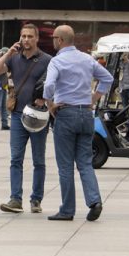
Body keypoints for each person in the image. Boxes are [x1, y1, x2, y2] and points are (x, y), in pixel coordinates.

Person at [43, 25, 111, 222]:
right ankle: (94, 200)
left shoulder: (57, 61)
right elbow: (107, 78)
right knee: (84, 162)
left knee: (65, 166)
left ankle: (67, 210)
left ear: (60, 40)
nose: (53, 41)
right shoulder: (87, 58)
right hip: (85, 114)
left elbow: (48, 85)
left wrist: (50, 104)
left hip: (66, 113)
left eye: (54, 38)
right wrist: (94, 98)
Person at [0, 23, 52, 214]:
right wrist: (8, 54)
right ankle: (15, 199)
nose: (26, 40)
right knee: (15, 159)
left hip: (38, 115)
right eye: (23, 36)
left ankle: (36, 200)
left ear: (37, 39)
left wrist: (46, 100)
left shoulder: (47, 60)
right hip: (17, 115)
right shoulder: (14, 58)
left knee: (38, 160)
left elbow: (53, 84)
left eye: (30, 36)